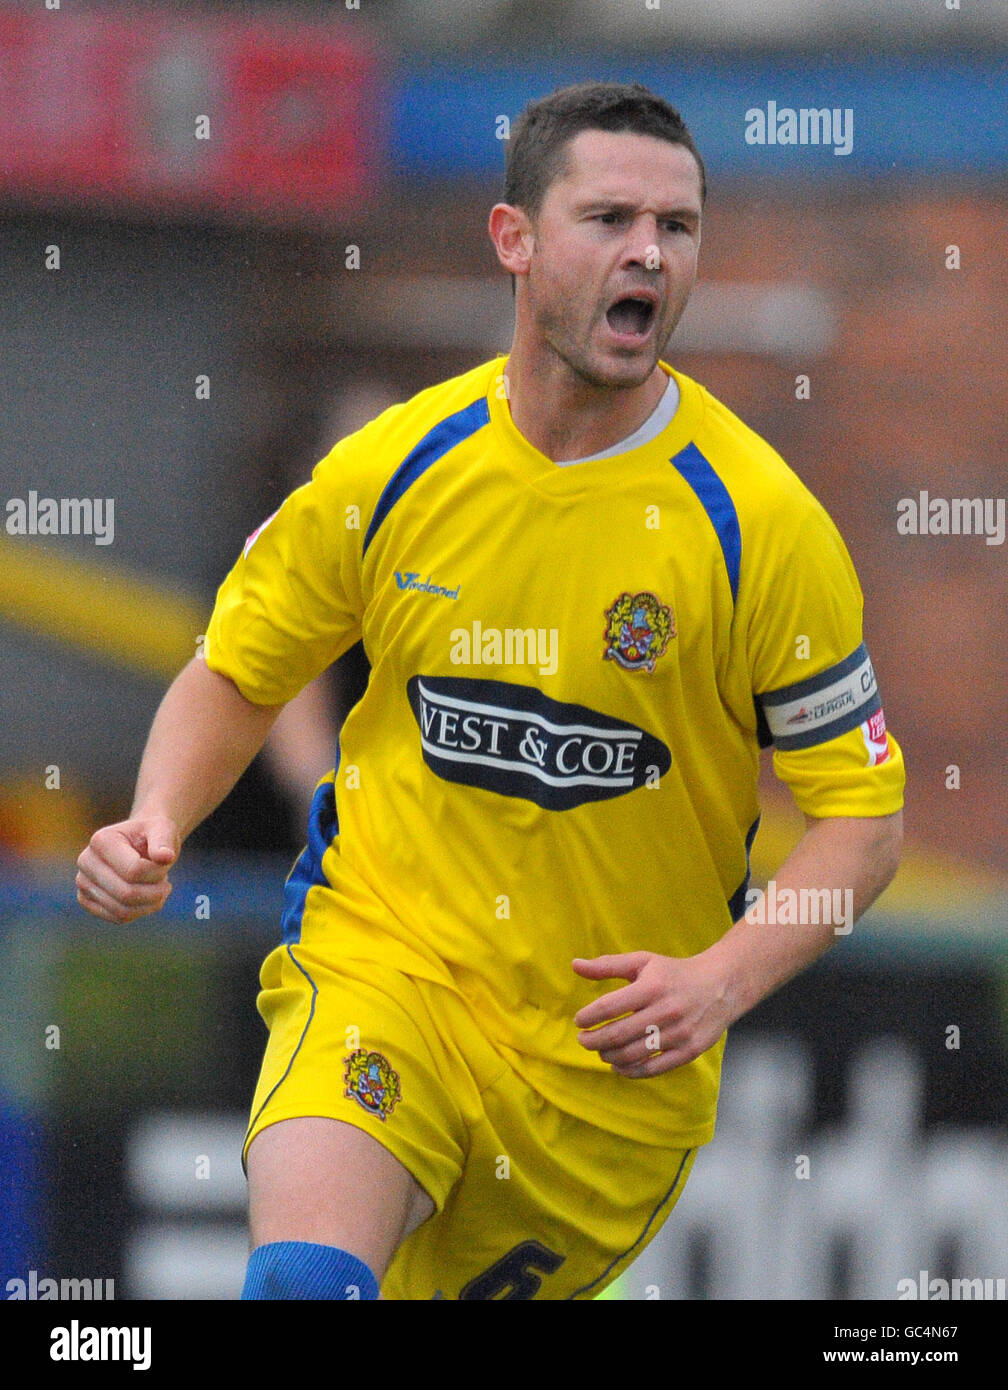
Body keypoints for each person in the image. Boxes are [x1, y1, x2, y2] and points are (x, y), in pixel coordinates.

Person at [76, 81, 905, 1301]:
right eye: (609, 216)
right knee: (304, 1283)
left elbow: (865, 824)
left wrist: (718, 977)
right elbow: (240, 667)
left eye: (676, 228)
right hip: (386, 974)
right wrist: (157, 819)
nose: (647, 253)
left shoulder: (762, 528)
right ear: (513, 240)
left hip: (597, 1084)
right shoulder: (397, 465)